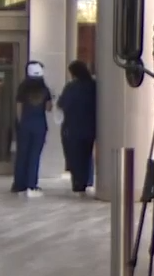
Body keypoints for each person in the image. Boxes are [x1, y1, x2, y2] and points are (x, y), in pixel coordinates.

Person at [13, 61, 53, 197]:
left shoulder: (22, 88)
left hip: (25, 124)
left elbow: (18, 108)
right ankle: (31, 185)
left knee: (22, 155)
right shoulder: (45, 90)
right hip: (39, 125)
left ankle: (19, 185)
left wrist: (20, 123)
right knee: (34, 155)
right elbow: (49, 108)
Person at [58, 60, 97, 195]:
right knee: (87, 154)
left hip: (73, 126)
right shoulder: (93, 86)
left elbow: (62, 104)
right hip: (90, 126)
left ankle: (78, 182)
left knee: (75, 155)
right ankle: (88, 179)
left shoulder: (71, 87)